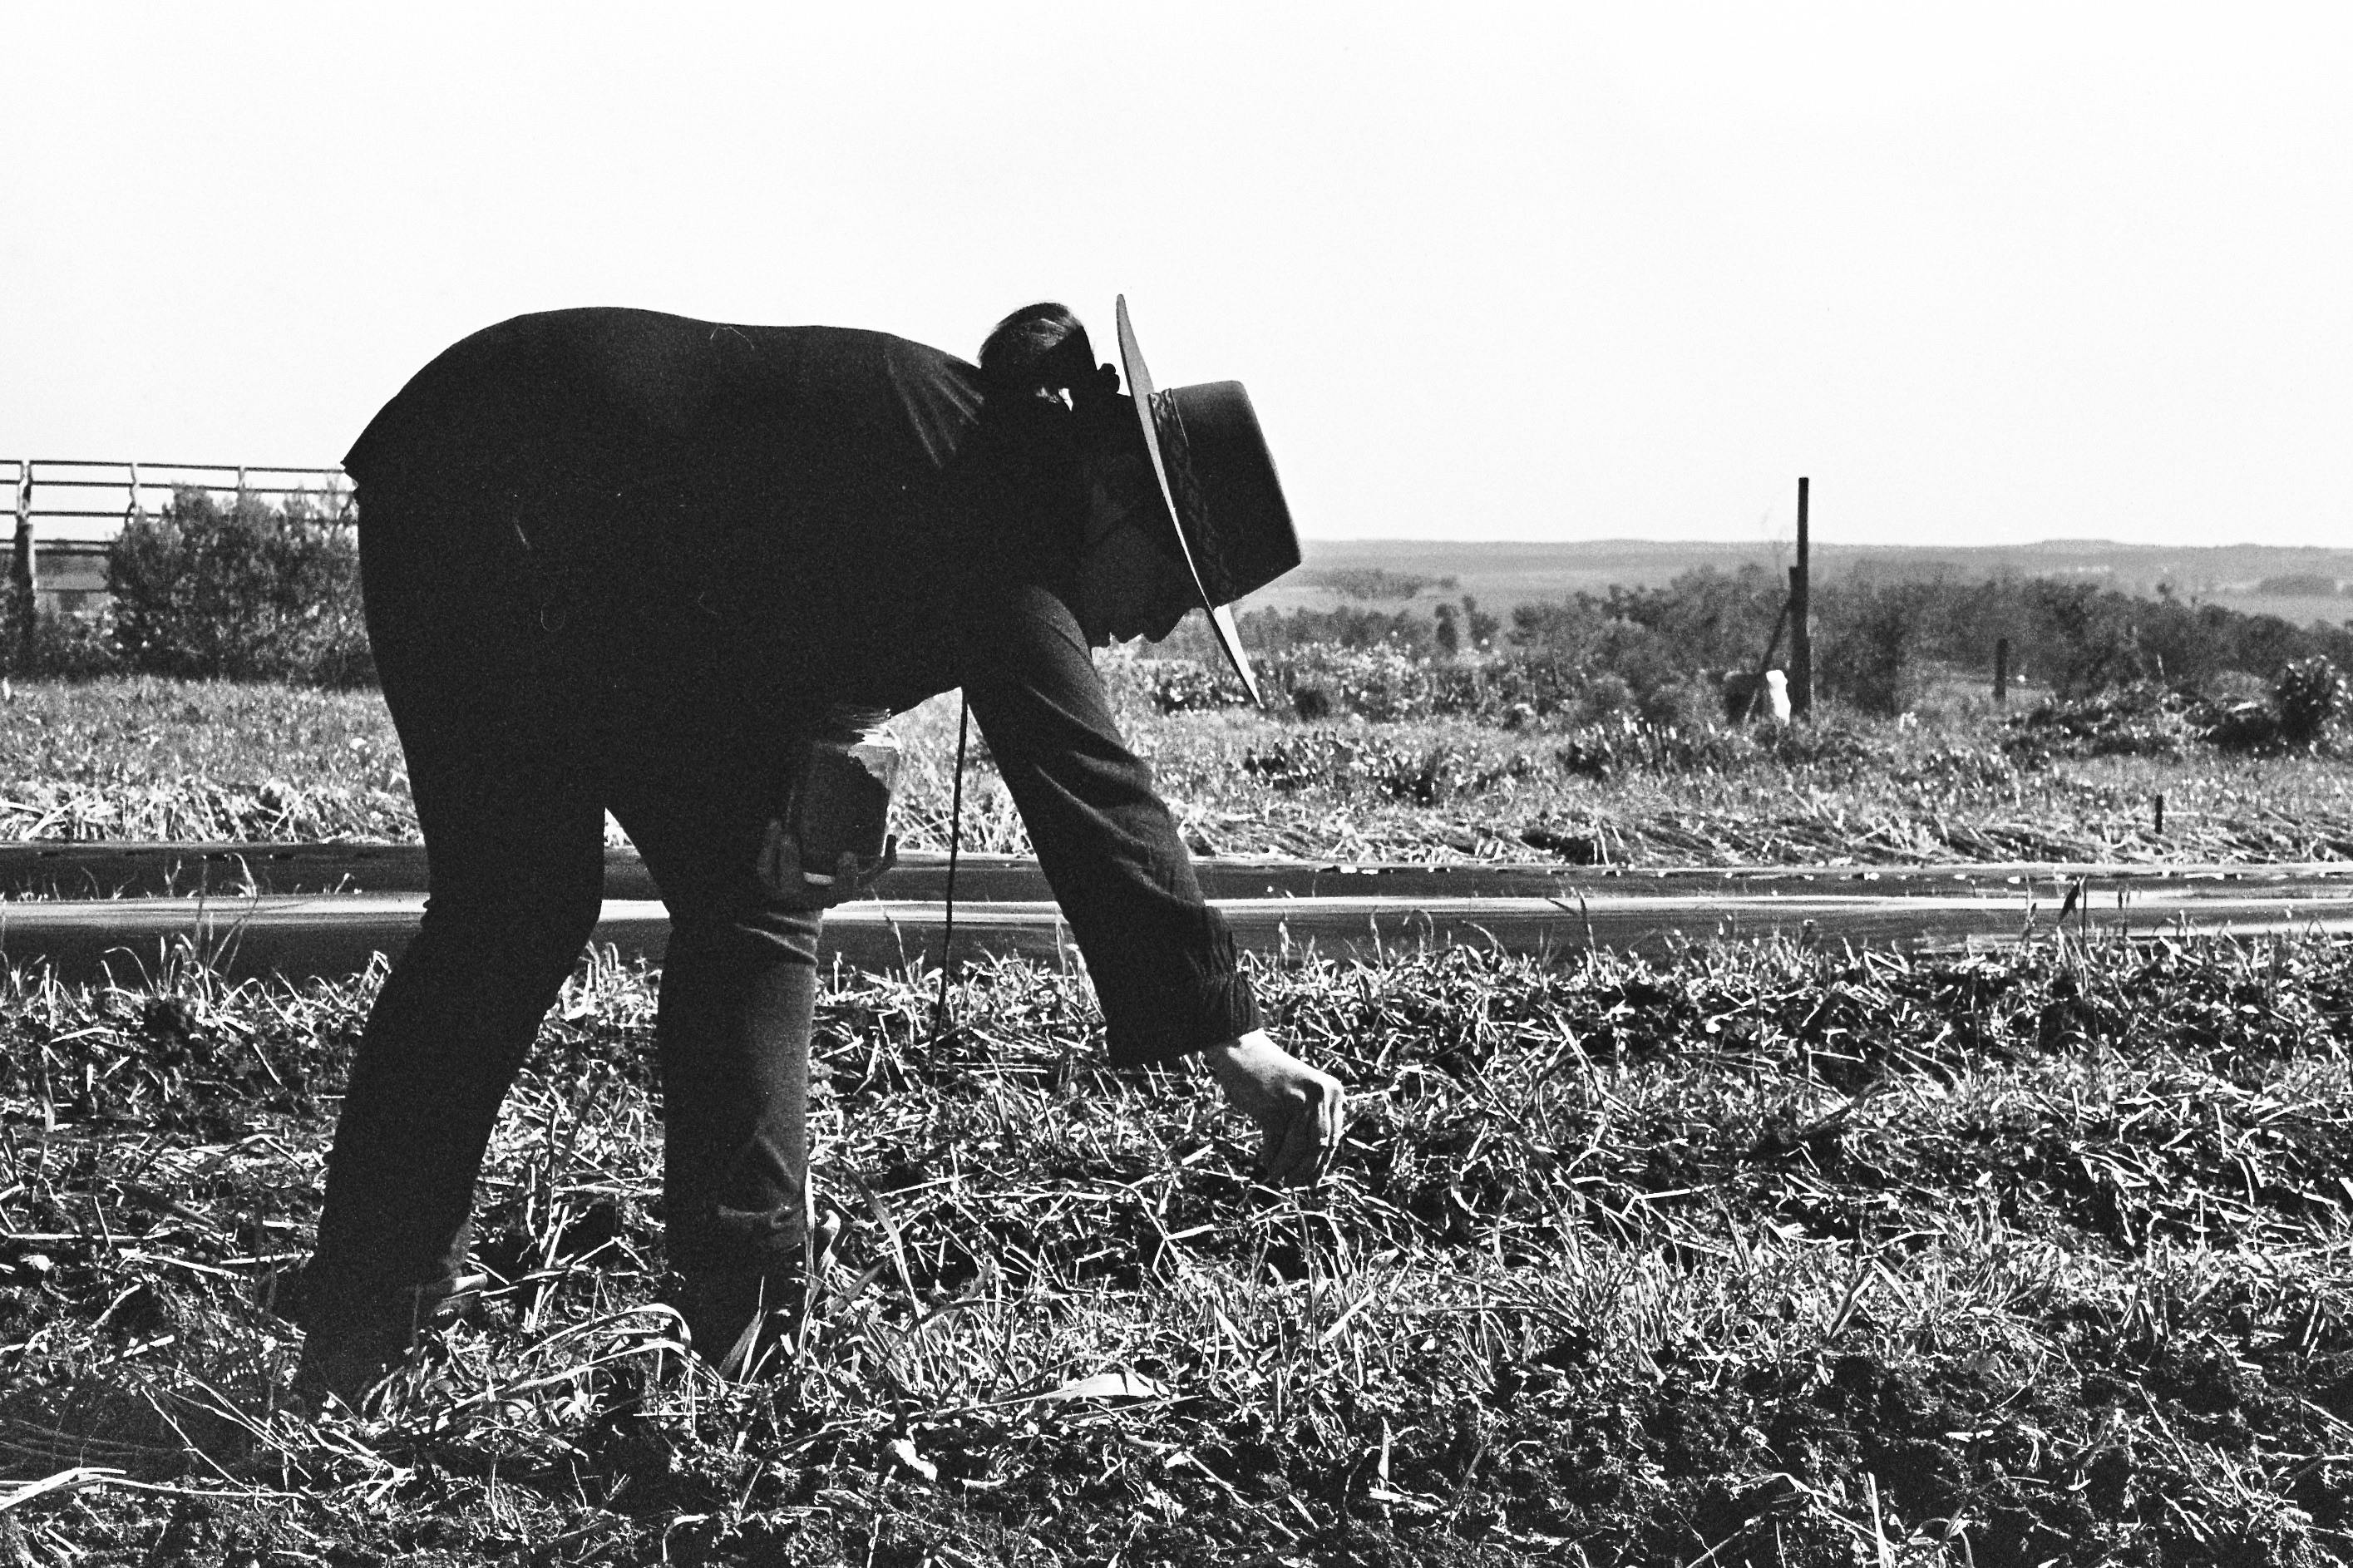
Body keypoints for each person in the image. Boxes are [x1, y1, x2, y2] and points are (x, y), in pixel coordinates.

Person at [274, 299, 1347, 1408]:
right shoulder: (1000, 502)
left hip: (598, 540)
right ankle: (379, 1327)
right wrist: (1233, 1040)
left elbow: (773, 577)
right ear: (1121, 501)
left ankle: (738, 1332)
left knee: (754, 891)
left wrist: (822, 762)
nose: (1157, 627)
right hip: (489, 479)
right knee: (517, 904)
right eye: (1175, 589)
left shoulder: (990, 466)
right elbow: (1088, 788)